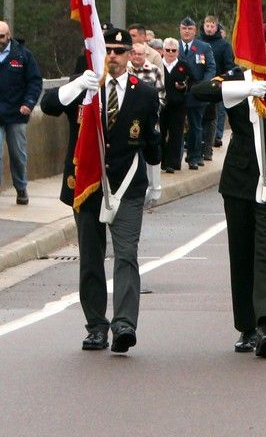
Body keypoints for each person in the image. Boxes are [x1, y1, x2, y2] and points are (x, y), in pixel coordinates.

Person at [45, 27, 161, 353]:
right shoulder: (85, 88)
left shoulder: (145, 93)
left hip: (127, 187)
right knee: (91, 259)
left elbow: (152, 144)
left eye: (119, 51)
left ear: (129, 56)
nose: (113, 56)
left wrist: (156, 180)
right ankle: (96, 326)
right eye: (107, 50)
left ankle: (124, 324)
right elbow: (49, 104)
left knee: (126, 255)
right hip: (87, 186)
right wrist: (75, 87)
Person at [193, 23, 266, 357]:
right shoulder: (235, 80)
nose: (265, 55)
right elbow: (199, 91)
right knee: (242, 255)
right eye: (260, 49)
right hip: (240, 181)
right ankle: (247, 326)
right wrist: (241, 90)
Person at [0, 20, 43, 205]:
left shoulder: (23, 56)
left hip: (16, 113)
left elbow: (35, 81)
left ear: (8, 36)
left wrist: (29, 103)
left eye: (1, 36)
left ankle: (21, 187)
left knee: (18, 154)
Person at [178, 16, 216, 170]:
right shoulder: (173, 46)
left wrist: (204, 85)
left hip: (197, 91)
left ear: (195, 30)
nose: (187, 32)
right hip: (178, 92)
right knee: (177, 126)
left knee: (196, 126)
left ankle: (194, 156)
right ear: (180, 29)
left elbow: (211, 68)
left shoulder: (203, 47)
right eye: (184, 28)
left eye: (190, 29)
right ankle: (176, 158)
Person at [199, 15, 235, 156]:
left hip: (218, 82)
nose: (209, 29)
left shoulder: (224, 45)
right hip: (201, 83)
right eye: (207, 26)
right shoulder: (198, 42)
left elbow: (229, 64)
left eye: (212, 26)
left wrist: (224, 80)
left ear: (217, 27)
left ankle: (216, 137)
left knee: (217, 113)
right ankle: (200, 140)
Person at [159, 38, 192, 173]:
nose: (170, 53)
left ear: (178, 52)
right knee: (160, 133)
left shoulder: (184, 66)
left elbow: (192, 81)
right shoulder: (158, 66)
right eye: (168, 50)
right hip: (161, 104)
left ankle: (172, 163)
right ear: (163, 51)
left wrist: (184, 86)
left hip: (178, 105)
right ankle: (160, 161)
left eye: (173, 50)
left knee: (176, 134)